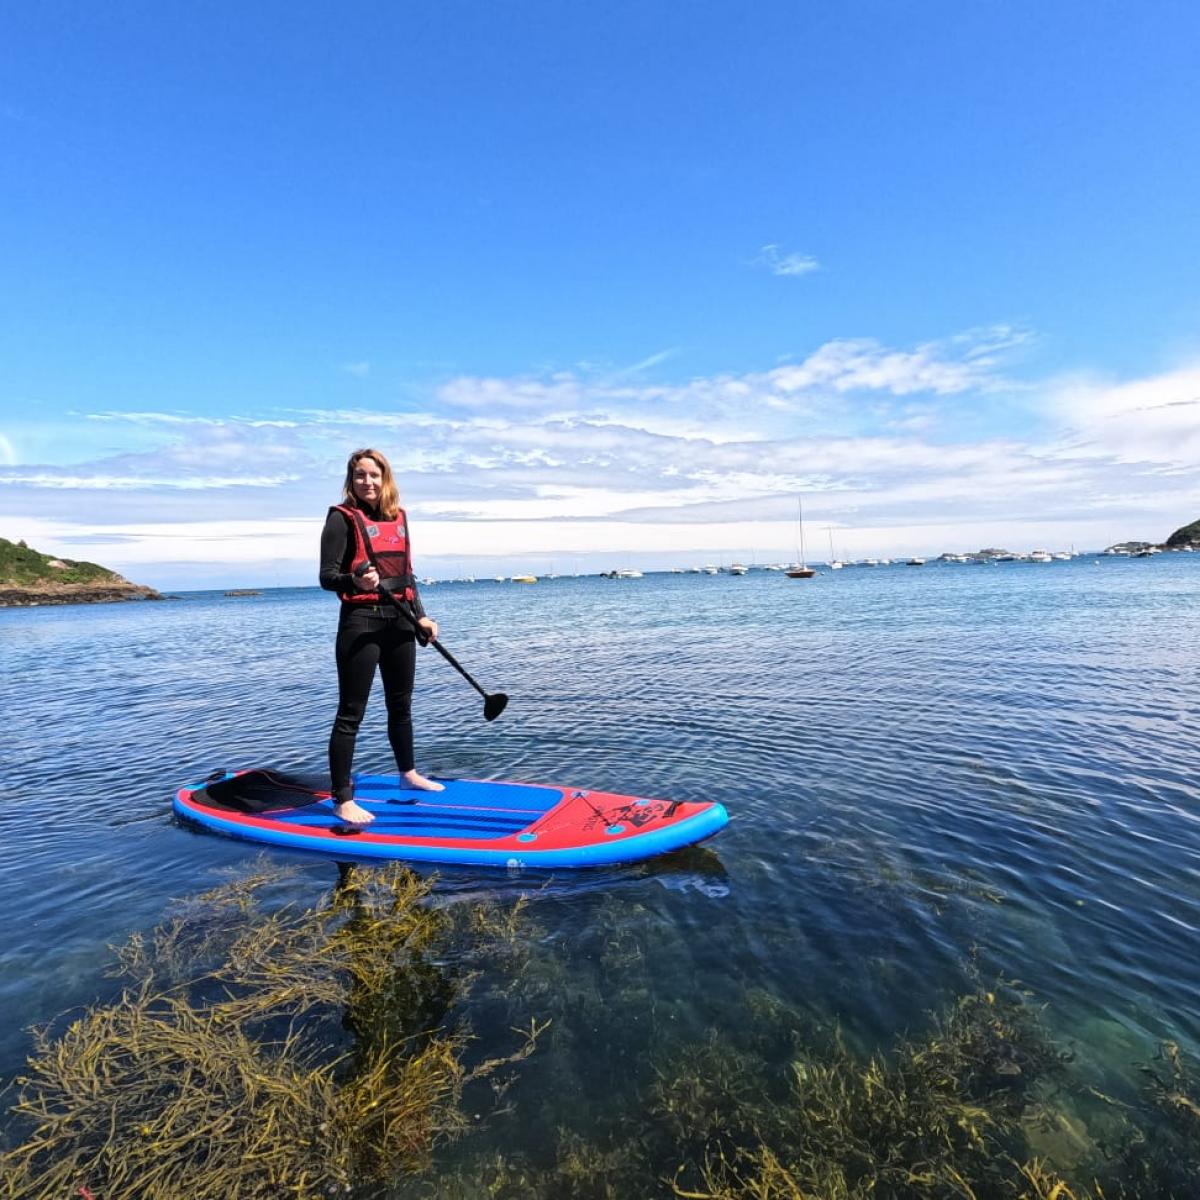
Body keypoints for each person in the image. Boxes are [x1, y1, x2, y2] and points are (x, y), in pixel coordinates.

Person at [319, 448, 442, 825]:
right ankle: (343, 798)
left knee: (401, 705)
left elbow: (406, 574)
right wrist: (354, 579)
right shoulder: (341, 518)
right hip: (361, 623)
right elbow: (326, 577)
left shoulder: (399, 517)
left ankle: (408, 775)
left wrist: (421, 617)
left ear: (385, 478)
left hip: (401, 621)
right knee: (350, 713)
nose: (367, 482)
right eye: (359, 475)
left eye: (374, 475)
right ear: (351, 479)